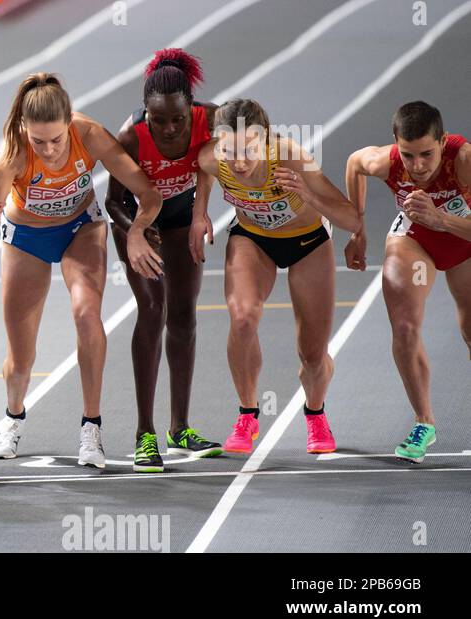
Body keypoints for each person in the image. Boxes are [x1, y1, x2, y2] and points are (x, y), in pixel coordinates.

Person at [0, 73, 164, 470]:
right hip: (26, 235)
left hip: (81, 227)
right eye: (38, 141)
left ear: (69, 124)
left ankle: (91, 427)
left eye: (57, 140)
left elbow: (148, 192)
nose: (48, 151)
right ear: (24, 128)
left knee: (86, 314)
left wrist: (136, 232)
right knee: (22, 353)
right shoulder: (12, 155)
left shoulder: (91, 135)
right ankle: (12, 417)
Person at [197, 99, 361, 455]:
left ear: (266, 141)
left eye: (248, 151)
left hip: (307, 243)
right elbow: (204, 173)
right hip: (253, 239)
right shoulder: (211, 158)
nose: (238, 163)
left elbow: (352, 219)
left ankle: (315, 413)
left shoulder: (291, 157)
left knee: (313, 353)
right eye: (229, 151)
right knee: (242, 319)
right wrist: (199, 212)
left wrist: (306, 194)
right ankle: (247, 414)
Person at [102, 48, 224, 473]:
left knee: (185, 316)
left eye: (178, 119)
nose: (170, 129)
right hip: (140, 225)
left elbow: (228, 157)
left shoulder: (215, 119)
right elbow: (112, 203)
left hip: (183, 220)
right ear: (146, 113)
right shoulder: (132, 136)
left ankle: (180, 428)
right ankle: (144, 434)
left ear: (193, 108)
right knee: (152, 310)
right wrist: (135, 230)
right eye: (160, 120)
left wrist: (199, 213)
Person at [344, 101, 471, 463]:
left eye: (427, 154)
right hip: (415, 240)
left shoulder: (463, 159)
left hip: (465, 241)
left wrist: (442, 219)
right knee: (404, 326)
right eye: (409, 155)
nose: (417, 166)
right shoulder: (386, 162)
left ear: (443, 141)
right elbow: (355, 163)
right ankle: (423, 422)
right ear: (396, 144)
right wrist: (358, 229)